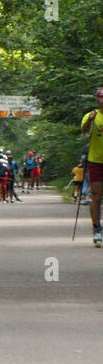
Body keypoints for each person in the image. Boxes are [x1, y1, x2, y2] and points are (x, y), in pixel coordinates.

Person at [80, 87, 103, 245]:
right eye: (101, 97)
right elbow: (84, 130)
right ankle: (96, 228)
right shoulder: (92, 115)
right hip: (96, 160)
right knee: (96, 196)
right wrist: (89, 120)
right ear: (97, 98)